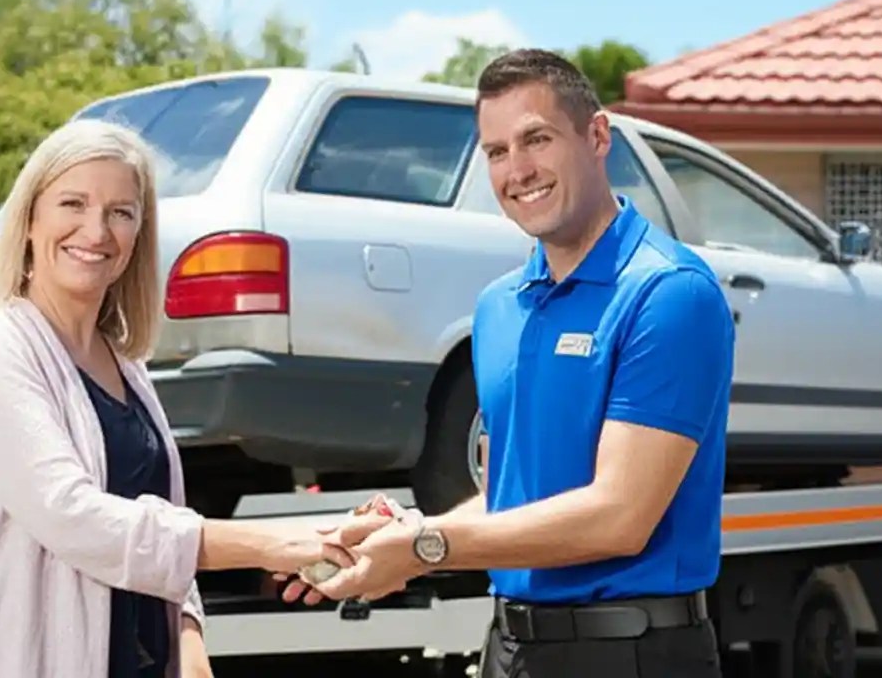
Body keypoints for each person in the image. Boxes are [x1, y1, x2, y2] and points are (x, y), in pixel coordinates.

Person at [286, 49, 735, 677]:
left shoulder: (669, 293)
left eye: (537, 139)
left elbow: (620, 518)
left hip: (631, 653)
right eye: (496, 152)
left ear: (597, 136)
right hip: (511, 646)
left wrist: (425, 548)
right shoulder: (499, 309)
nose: (517, 170)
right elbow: (506, 500)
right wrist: (410, 533)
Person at [0, 118, 352, 678]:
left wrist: (189, 635)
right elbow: (75, 518)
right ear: (29, 219)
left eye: (121, 212)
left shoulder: (125, 364)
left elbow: (160, 516)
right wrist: (268, 544)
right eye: (73, 203)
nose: (96, 231)